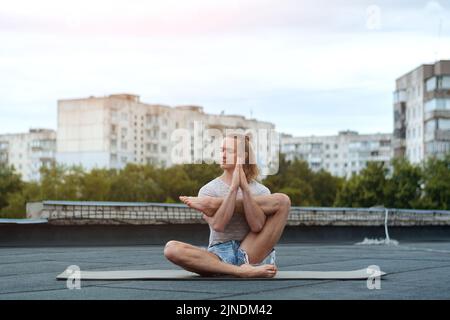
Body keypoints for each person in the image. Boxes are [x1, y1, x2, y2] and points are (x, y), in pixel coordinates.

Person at [164, 133, 291, 278]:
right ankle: (241, 271)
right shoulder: (208, 190)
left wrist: (244, 189)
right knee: (171, 249)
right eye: (221, 150)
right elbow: (218, 225)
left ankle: (241, 267)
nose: (223, 155)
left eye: (229, 151)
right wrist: (233, 190)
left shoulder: (261, 191)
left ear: (243, 156)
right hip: (218, 256)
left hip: (250, 251)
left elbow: (257, 226)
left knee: (283, 200)